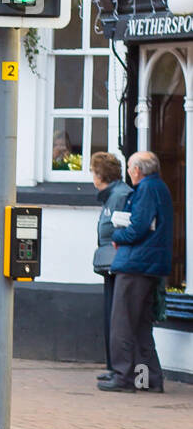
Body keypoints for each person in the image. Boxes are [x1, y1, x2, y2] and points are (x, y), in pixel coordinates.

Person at [100, 151, 172, 393]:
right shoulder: (158, 187)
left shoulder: (146, 190)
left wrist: (117, 236)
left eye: (130, 167)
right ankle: (150, 378)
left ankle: (124, 377)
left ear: (138, 170)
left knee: (122, 322)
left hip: (136, 265)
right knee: (141, 325)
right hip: (150, 264)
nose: (129, 171)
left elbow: (138, 227)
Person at [90, 151, 132, 380]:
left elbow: (120, 227)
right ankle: (113, 367)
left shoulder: (118, 195)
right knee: (111, 316)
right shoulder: (111, 195)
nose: (92, 178)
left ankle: (118, 369)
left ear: (101, 174)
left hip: (116, 261)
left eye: (94, 172)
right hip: (110, 261)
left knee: (117, 317)